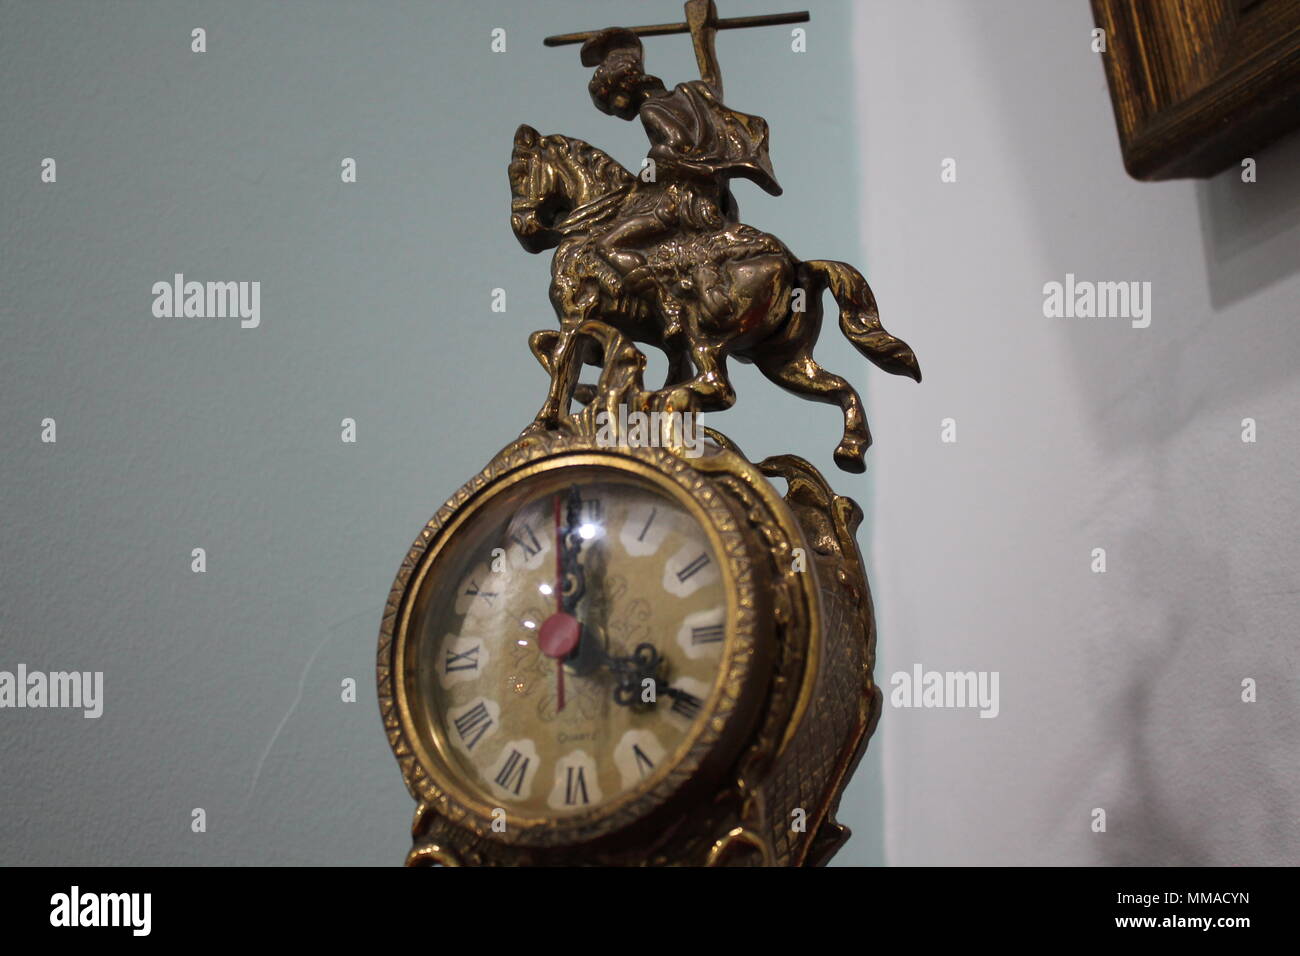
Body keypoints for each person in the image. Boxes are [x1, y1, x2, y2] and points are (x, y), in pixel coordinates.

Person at [579, 28, 782, 298]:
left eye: (612, 102)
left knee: (606, 245)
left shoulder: (650, 109)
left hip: (679, 203)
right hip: (720, 202)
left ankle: (664, 304)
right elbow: (713, 79)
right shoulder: (692, 92)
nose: (616, 110)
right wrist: (702, 34)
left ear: (622, 91)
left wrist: (654, 162)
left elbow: (676, 144)